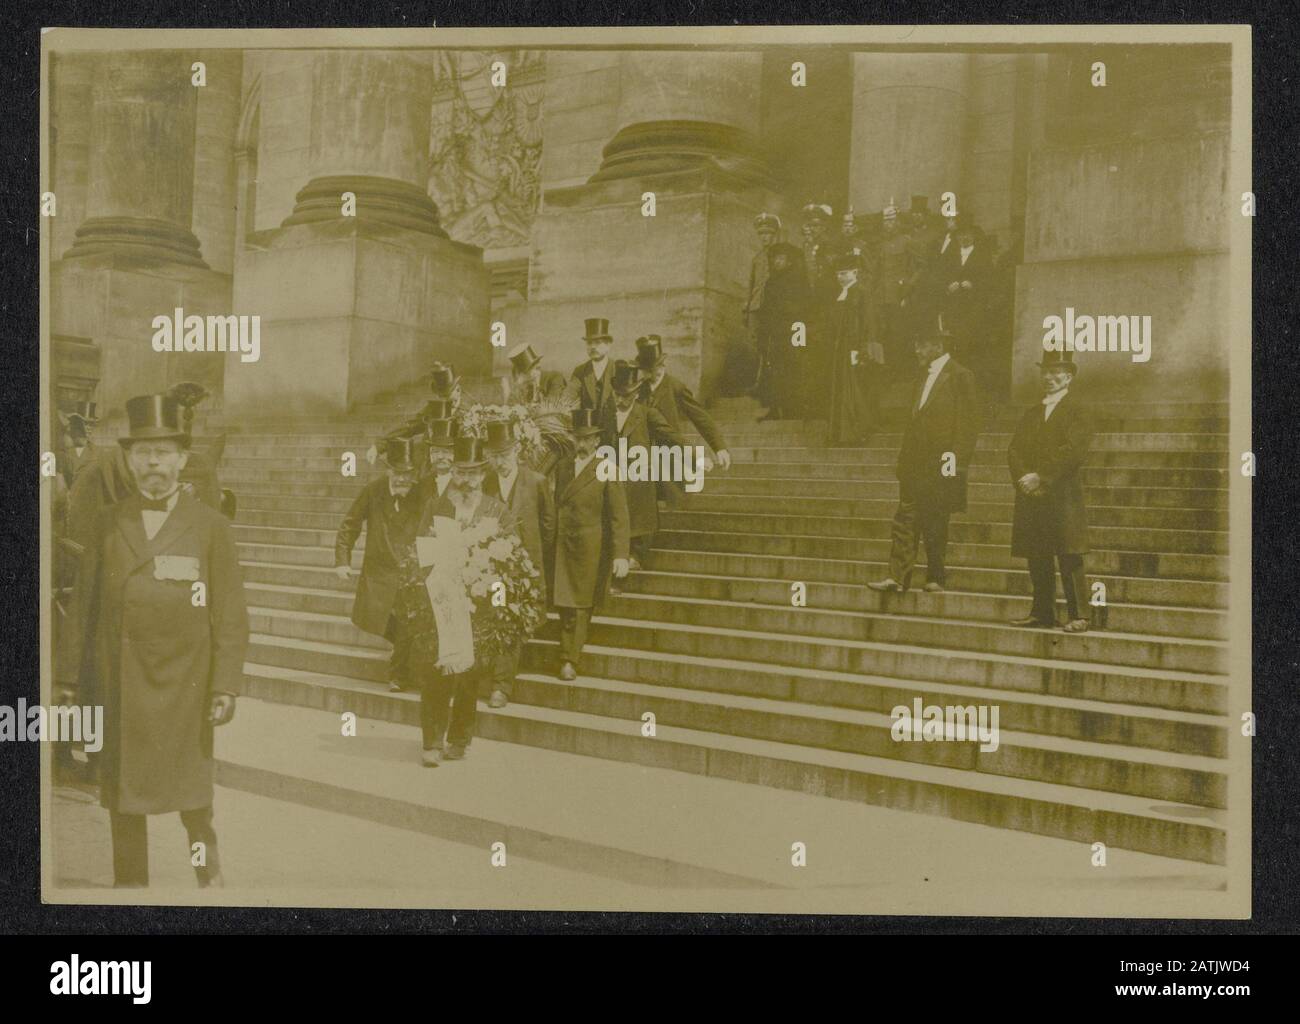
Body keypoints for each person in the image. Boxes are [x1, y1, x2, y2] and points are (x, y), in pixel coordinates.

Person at [57, 393, 247, 888]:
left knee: (194, 799)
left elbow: (230, 614)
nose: (153, 463)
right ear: (129, 461)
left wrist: (224, 685)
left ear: (183, 460)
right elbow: (84, 605)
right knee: (123, 798)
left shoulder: (211, 527)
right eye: (143, 453)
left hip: (185, 686)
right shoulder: (108, 521)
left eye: (163, 452)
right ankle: (130, 888)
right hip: (122, 681)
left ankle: (210, 877)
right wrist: (67, 680)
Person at [407, 437, 517, 765]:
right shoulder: (436, 506)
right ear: (452, 473)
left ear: (483, 475)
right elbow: (419, 547)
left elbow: (511, 558)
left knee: (469, 678)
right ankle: (431, 741)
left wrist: (493, 594)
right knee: (436, 672)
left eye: (472, 474)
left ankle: (459, 738)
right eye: (459, 473)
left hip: (478, 608)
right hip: (441, 604)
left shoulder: (497, 510)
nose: (465, 481)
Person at [868, 329, 980, 593]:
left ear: (938, 345)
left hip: (941, 463)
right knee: (905, 519)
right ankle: (897, 577)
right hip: (914, 464)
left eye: (921, 345)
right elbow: (914, 422)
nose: (916, 351)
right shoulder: (922, 376)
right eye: (916, 344)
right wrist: (903, 461)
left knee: (935, 519)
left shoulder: (961, 375)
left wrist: (955, 460)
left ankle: (936, 577)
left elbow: (968, 424)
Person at [334, 434, 428, 694]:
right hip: (378, 573)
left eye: (408, 474)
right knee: (383, 623)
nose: (402, 479)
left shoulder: (420, 494)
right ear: (388, 471)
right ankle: (405, 667)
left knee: (408, 624)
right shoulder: (373, 491)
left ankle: (398, 675)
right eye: (397, 473)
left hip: (410, 573)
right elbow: (350, 524)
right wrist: (342, 559)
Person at [1007, 352, 1093, 633]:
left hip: (1062, 493)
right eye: (1045, 372)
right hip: (1032, 495)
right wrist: (1023, 478)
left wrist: (1041, 477)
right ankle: (1042, 612)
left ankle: (1079, 614)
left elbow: (1073, 451)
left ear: (1069, 377)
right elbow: (1015, 449)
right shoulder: (1032, 413)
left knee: (1069, 554)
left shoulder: (1077, 411)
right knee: (1037, 554)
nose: (1049, 377)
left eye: (1056, 372)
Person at [483, 419, 556, 708]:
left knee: (510, 619)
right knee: (501, 616)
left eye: (505, 454)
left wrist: (532, 564)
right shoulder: (486, 483)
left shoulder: (536, 482)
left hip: (525, 568)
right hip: (491, 569)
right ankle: (498, 681)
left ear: (516, 451)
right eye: (495, 456)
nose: (500, 462)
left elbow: (549, 528)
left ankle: (501, 686)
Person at [552, 409, 630, 680]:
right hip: (563, 544)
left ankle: (569, 659)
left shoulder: (607, 468)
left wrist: (621, 554)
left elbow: (619, 515)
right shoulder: (563, 466)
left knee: (581, 605)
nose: (581, 444)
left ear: (597, 441)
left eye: (587, 439)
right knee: (565, 603)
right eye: (577, 438)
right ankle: (567, 654)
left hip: (590, 548)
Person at [606, 360, 692, 573]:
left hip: (639, 480)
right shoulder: (606, 415)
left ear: (635, 394)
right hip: (613, 478)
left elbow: (673, 437)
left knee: (639, 522)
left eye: (625, 395)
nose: (620, 399)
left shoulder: (646, 414)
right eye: (617, 394)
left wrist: (696, 457)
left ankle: (636, 556)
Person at [634, 335, 731, 504]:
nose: (647, 373)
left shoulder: (675, 387)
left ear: (662, 365)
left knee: (673, 504)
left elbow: (700, 417)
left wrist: (719, 447)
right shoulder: (638, 390)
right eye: (644, 369)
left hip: (672, 456)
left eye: (652, 368)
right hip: (645, 460)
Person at [827, 250, 885, 446]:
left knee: (856, 391)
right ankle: (840, 433)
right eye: (837, 274)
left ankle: (856, 432)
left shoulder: (861, 292)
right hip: (840, 349)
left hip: (855, 348)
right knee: (843, 390)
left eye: (844, 273)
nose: (840, 277)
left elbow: (869, 323)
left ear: (855, 272)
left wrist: (861, 349)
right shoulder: (842, 294)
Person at [753, 243, 811, 420]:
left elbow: (804, 307)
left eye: (781, 258)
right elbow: (766, 309)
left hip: (793, 328)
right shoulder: (771, 281)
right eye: (775, 258)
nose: (777, 262)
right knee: (774, 368)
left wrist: (799, 337)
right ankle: (775, 407)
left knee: (794, 366)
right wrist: (764, 333)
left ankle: (795, 407)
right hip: (775, 332)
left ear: (789, 261)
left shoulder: (798, 280)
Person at [744, 212, 782, 392]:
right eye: (762, 234)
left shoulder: (780, 257)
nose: (765, 238)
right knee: (755, 345)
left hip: (773, 306)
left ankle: (771, 382)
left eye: (768, 234)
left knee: (772, 344)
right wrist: (747, 306)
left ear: (774, 235)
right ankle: (758, 382)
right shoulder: (757, 259)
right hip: (756, 306)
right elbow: (751, 285)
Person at [567, 318, 618, 440]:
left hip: (614, 435)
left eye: (598, 342)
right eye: (589, 343)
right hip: (589, 436)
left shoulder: (618, 369)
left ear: (608, 345)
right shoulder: (580, 372)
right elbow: (567, 397)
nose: (593, 347)